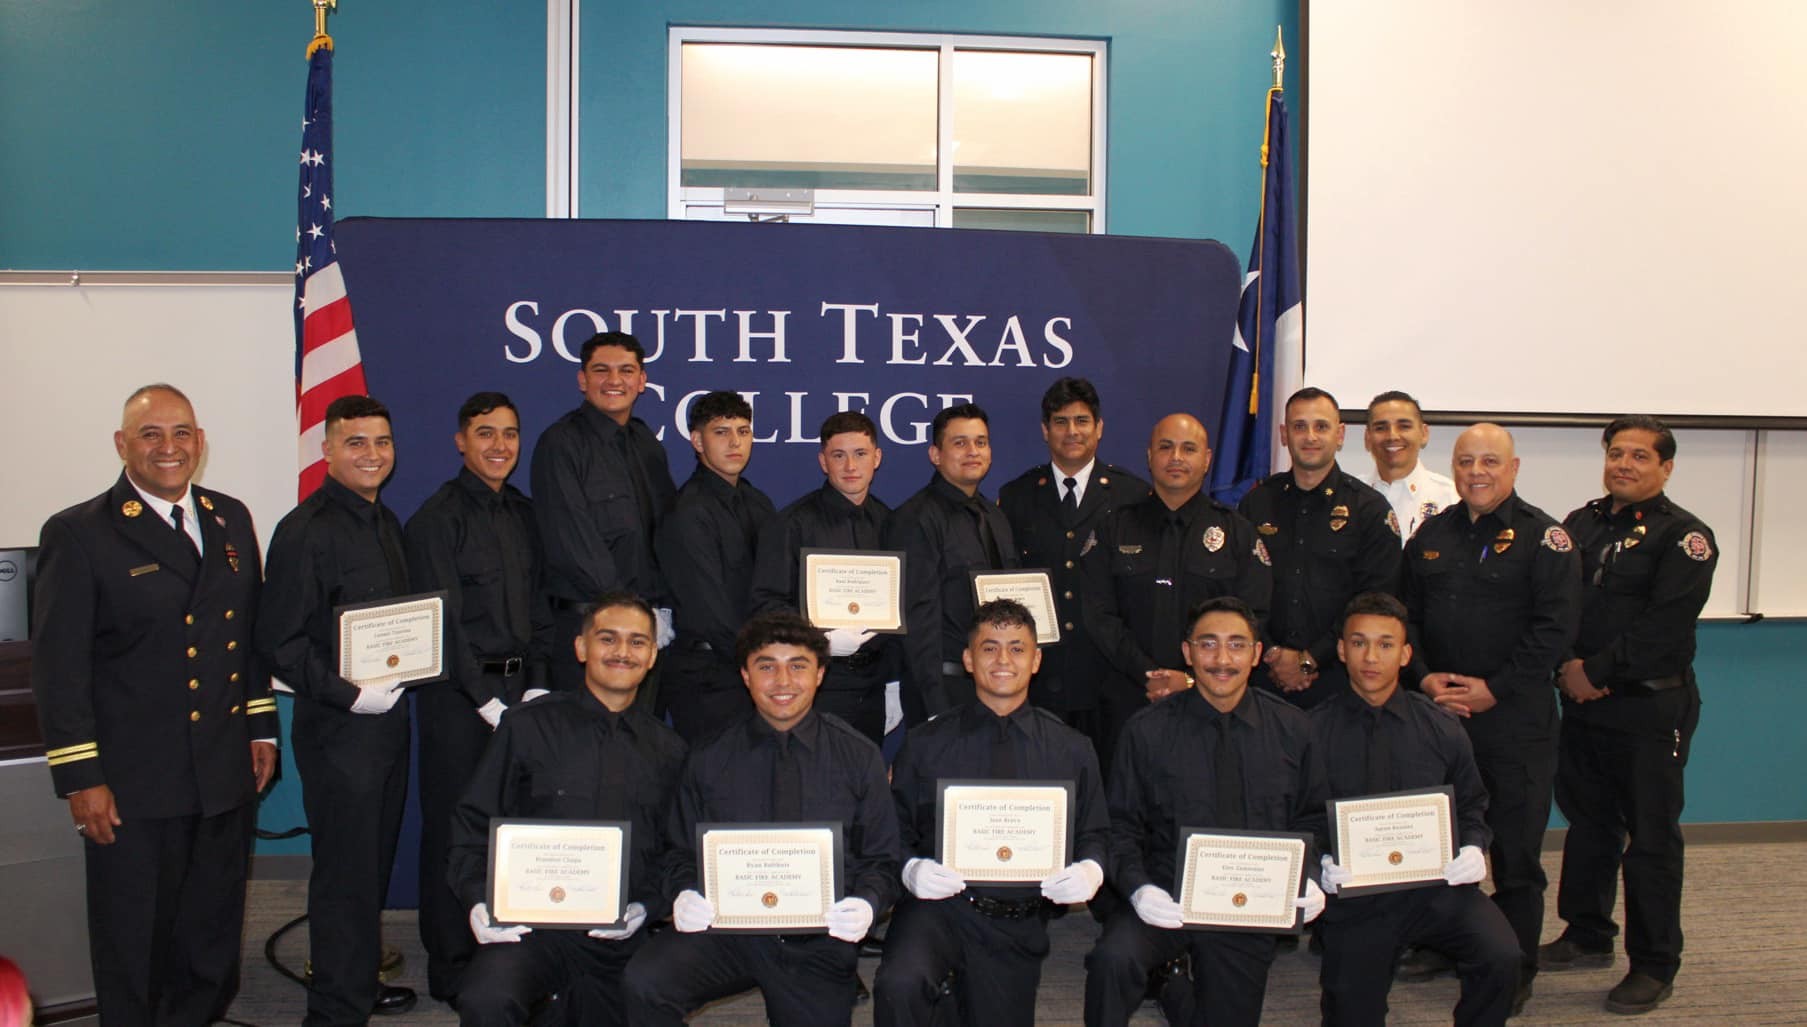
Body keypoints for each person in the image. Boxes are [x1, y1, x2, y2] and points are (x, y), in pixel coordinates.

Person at [31, 384, 276, 1024]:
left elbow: (247, 634)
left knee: (210, 934)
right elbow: (59, 670)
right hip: (134, 782)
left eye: (181, 433)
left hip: (221, 769)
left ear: (200, 442)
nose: (169, 447)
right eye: (151, 434)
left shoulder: (229, 518)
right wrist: (81, 777)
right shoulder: (80, 533)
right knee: (134, 939)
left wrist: (260, 728)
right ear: (122, 445)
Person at [623, 611, 902, 1026]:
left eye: (798, 666)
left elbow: (883, 859)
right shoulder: (709, 755)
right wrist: (684, 892)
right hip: (727, 933)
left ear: (820, 675)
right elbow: (678, 850)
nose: (783, 681)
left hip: (817, 941)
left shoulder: (859, 756)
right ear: (745, 675)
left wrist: (867, 902)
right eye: (766, 667)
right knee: (646, 982)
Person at [1539, 416, 1715, 1016]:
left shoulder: (1685, 537)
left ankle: (1654, 964)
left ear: (1666, 468)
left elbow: (1664, 626)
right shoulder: (1580, 523)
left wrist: (1594, 672)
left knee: (1651, 837)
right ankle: (1587, 932)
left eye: (1640, 456)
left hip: (1649, 705)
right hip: (1582, 700)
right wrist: (1566, 667)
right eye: (1617, 453)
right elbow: (1555, 601)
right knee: (1590, 822)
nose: (1624, 464)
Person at [1400, 424, 1581, 1007]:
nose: (1476, 472)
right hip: (1439, 716)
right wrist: (1422, 675)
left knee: (1515, 853)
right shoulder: (1431, 533)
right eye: (1465, 461)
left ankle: (1514, 969)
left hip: (1513, 722)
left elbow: (1554, 631)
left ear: (1514, 467)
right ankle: (1443, 944)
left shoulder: (1545, 539)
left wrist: (1493, 690)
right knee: (1440, 842)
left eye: (1490, 461)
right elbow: (1406, 617)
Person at [1083, 597, 1327, 1027]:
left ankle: (1172, 986)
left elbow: (1312, 817)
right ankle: (1166, 973)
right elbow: (1119, 825)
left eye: (1237, 645)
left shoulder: (1294, 729)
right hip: (1166, 893)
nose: (1222, 659)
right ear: (1188, 652)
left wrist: (1309, 874)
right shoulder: (1146, 730)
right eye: (1208, 644)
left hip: (1247, 903)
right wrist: (1139, 889)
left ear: (1256, 654)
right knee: (1112, 960)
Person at [448, 593, 687, 1027]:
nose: (622, 652)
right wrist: (477, 899)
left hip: (620, 938)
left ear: (652, 655)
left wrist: (646, 907)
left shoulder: (669, 751)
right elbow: (473, 825)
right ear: (581, 647)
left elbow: (676, 852)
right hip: (531, 931)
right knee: (487, 998)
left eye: (637, 642)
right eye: (607, 638)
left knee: (653, 1001)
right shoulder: (526, 726)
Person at [256, 394, 418, 1022]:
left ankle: (358, 981)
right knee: (344, 874)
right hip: (338, 728)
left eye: (382, 442)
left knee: (370, 866)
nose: (372, 454)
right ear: (326, 450)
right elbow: (281, 642)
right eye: (356, 443)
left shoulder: (385, 521)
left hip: (388, 722)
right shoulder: (305, 530)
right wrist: (353, 695)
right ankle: (334, 1010)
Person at [874, 600, 1109, 1027]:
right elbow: (894, 828)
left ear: (1036, 661)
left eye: (1017, 649)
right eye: (989, 648)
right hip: (938, 909)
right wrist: (910, 869)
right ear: (968, 659)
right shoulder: (924, 744)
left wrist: (1091, 869)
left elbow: (1095, 831)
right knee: (900, 983)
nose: (1003, 660)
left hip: (1017, 917)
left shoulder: (1072, 749)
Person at [404, 391, 558, 1005]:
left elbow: (542, 606)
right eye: (486, 433)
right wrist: (485, 701)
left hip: (522, 692)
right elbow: (440, 622)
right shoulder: (436, 519)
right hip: (458, 700)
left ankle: (508, 958)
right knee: (456, 829)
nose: (500, 445)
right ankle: (451, 966)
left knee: (512, 828)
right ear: (460, 441)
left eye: (510, 433)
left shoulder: (523, 513)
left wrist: (538, 681)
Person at [1314, 592, 1522, 1027]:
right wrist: (1319, 863)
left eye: (1386, 644)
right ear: (1341, 650)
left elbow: (1471, 802)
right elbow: (1294, 815)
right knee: (1349, 1010)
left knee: (1502, 957)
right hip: (1357, 898)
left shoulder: (1441, 727)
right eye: (1359, 643)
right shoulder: (1310, 732)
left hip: (1436, 888)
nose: (1372, 657)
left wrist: (1473, 847)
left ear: (1406, 655)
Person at [1082, 413, 1271, 777]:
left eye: (1189, 449)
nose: (1176, 458)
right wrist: (1148, 673)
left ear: (1207, 459)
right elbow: (1098, 614)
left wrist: (1191, 679)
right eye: (1166, 447)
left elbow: (1254, 616)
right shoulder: (1114, 527)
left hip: (1212, 702)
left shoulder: (1237, 533)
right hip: (1129, 699)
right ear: (1149, 456)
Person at [997, 378, 1149, 746]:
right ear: (1045, 430)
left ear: (1099, 428)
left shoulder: (1132, 496)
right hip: (1042, 677)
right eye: (1061, 422)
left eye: (1082, 421)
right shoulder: (1016, 496)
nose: (1072, 432)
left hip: (1111, 677)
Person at [531, 331, 677, 699]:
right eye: (601, 370)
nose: (614, 380)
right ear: (583, 380)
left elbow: (666, 534)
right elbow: (573, 543)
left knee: (641, 732)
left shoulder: (646, 444)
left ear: (641, 381)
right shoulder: (561, 444)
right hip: (591, 628)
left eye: (626, 371)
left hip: (647, 631)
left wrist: (661, 611)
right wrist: (630, 615)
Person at [1238, 387, 1401, 709]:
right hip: (1264, 678)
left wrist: (1312, 658)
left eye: (1321, 426)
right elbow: (1241, 588)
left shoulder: (1369, 510)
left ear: (1340, 435)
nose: (1310, 436)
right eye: (1299, 426)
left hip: (1341, 681)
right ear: (1284, 434)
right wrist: (1271, 652)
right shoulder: (1256, 504)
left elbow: (1377, 601)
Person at [751, 411, 897, 744]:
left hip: (875, 685)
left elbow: (902, 605)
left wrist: (894, 680)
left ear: (877, 458)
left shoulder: (890, 522)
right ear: (823, 461)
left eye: (860, 454)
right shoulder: (791, 524)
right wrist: (821, 639)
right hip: (817, 684)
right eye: (838, 455)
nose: (850, 466)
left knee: (864, 772)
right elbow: (766, 604)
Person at [885, 403, 1018, 725]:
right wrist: (935, 706)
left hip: (999, 684)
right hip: (946, 689)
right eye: (960, 443)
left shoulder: (996, 517)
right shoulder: (915, 519)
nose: (973, 451)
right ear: (935, 454)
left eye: (981, 442)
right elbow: (918, 620)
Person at [655, 390, 777, 742]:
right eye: (721, 432)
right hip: (708, 680)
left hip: (753, 668)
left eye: (743, 431)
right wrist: (763, 665)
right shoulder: (687, 512)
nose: (735, 442)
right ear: (697, 441)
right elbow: (709, 611)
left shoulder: (758, 502)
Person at [1361, 391, 1457, 544]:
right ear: (1367, 438)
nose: (1392, 436)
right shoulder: (1350, 497)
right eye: (1381, 428)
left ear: (1423, 433)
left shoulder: (1451, 498)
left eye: (1404, 426)